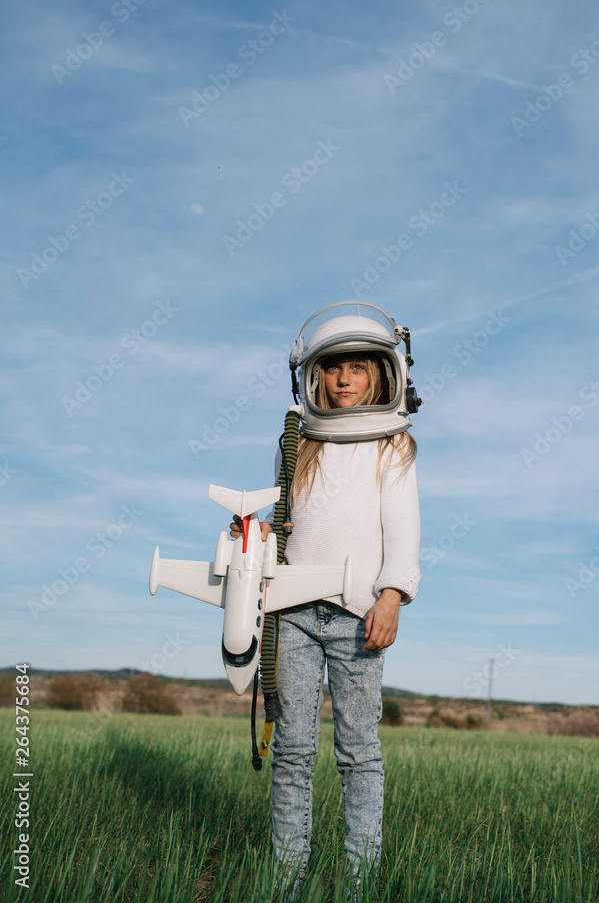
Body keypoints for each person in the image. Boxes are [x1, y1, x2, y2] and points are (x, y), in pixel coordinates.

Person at [230, 303, 421, 897]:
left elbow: (403, 528)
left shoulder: (393, 446)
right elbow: (284, 522)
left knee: (358, 751)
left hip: (357, 615)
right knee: (290, 749)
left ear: (383, 375)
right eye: (334, 368)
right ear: (313, 375)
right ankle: (287, 878)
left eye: (358, 368)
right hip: (291, 614)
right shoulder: (301, 442)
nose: (344, 379)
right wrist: (253, 541)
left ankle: (361, 878)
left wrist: (391, 596)